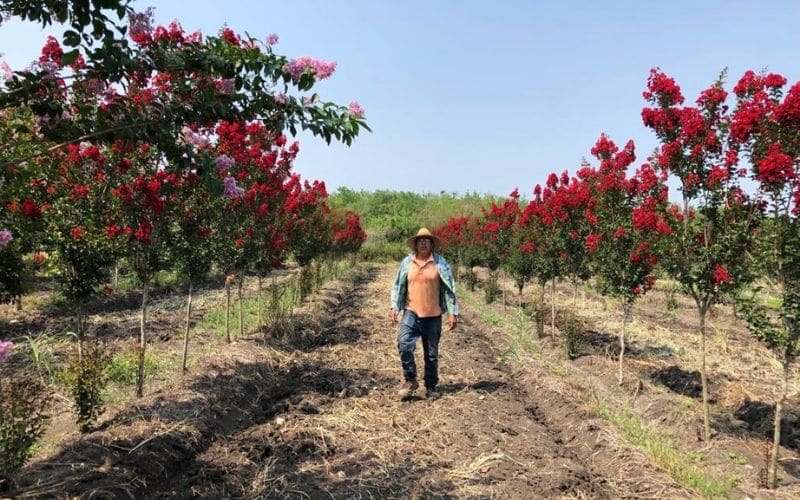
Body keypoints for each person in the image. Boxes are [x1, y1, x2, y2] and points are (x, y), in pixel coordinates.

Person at [389, 228, 458, 399]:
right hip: (411, 312)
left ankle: (431, 386)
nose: (423, 242)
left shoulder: (440, 263)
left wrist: (452, 312)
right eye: (420, 240)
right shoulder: (407, 262)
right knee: (404, 343)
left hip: (433, 315)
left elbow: (450, 289)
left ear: (432, 244)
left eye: (427, 240)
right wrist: (394, 307)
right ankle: (410, 379)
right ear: (415, 244)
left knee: (431, 354)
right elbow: (398, 285)